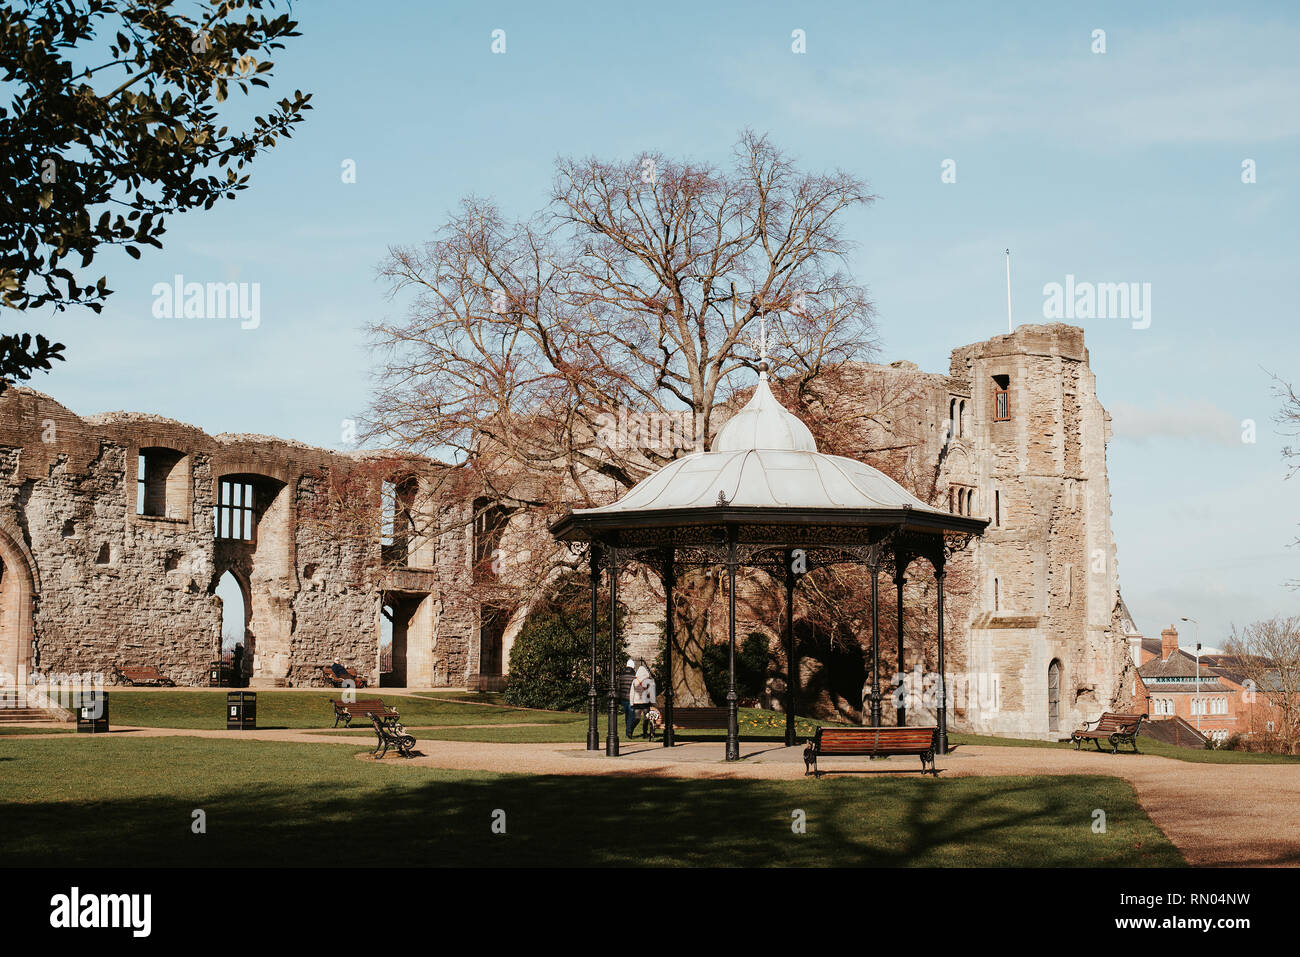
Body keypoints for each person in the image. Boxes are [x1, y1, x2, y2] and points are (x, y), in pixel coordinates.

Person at [630, 662, 657, 738]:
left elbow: (632, 693)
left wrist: (631, 702)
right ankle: (645, 733)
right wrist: (654, 703)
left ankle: (630, 731)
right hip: (645, 702)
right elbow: (652, 694)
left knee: (637, 718)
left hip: (637, 702)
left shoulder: (635, 681)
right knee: (646, 718)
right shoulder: (649, 681)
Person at [617, 658, 637, 737]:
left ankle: (627, 730)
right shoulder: (634, 677)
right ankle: (628, 731)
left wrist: (619, 698)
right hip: (631, 698)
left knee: (627, 715)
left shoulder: (621, 676)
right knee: (631, 715)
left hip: (623, 698)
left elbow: (618, 688)